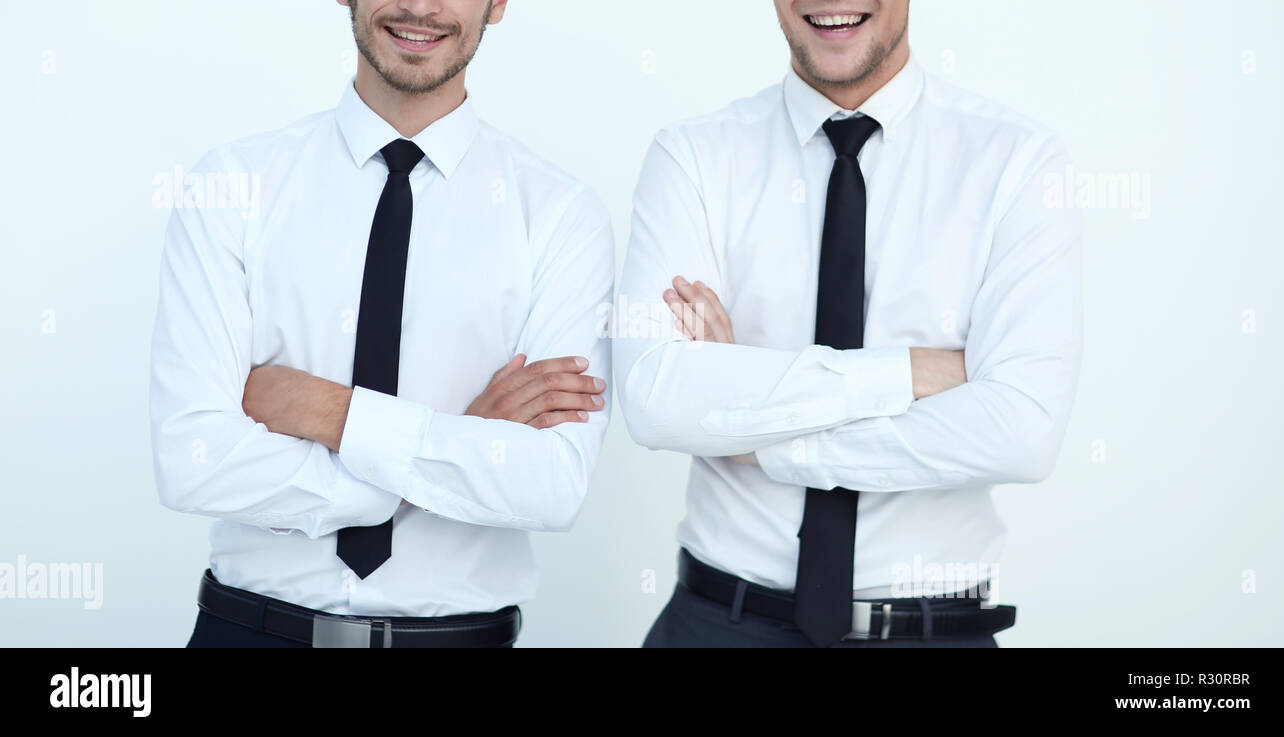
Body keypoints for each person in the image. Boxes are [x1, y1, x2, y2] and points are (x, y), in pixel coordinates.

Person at [616, 0, 1083, 647]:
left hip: (934, 633)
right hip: (719, 625)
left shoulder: (1017, 163)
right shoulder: (693, 157)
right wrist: (908, 373)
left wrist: (754, 430)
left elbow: (1021, 432)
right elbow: (657, 401)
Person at [149, 0, 613, 648]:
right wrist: (454, 447)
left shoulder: (560, 216)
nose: (421, 7)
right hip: (248, 632)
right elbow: (193, 462)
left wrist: (330, 412)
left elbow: (549, 486)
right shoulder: (231, 187)